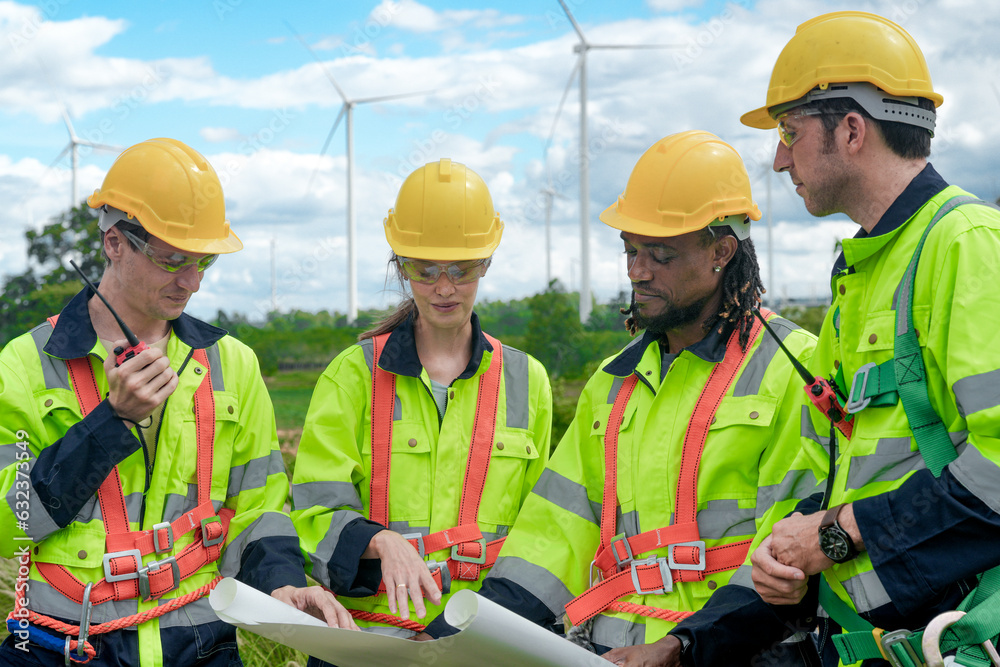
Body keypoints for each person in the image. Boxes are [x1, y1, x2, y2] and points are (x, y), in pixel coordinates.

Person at [662, 11, 1000, 666]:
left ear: (850, 130)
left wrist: (839, 533)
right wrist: (779, 555)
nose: (779, 157)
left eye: (789, 132)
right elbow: (835, 470)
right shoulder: (862, 276)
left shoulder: (967, 246)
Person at [420, 131, 826, 666]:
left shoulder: (795, 369)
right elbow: (549, 542)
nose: (637, 270)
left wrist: (680, 648)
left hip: (742, 655)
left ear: (721, 252)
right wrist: (448, 635)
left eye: (660, 253)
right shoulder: (612, 383)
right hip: (609, 653)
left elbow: (789, 561)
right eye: (631, 250)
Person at [0, 138, 356, 667]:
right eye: (172, 261)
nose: (191, 282)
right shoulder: (25, 364)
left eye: (203, 261)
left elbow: (258, 511)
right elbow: (12, 523)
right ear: (114, 242)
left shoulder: (232, 364)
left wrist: (281, 584)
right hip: (62, 648)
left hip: (202, 645)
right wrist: (108, 424)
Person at [290, 159, 553, 660]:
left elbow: (543, 531)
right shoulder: (353, 375)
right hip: (368, 640)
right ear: (401, 265)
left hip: (480, 640)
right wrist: (381, 542)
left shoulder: (526, 380)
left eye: (462, 269)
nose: (445, 287)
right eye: (425, 270)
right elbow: (313, 512)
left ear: (487, 264)